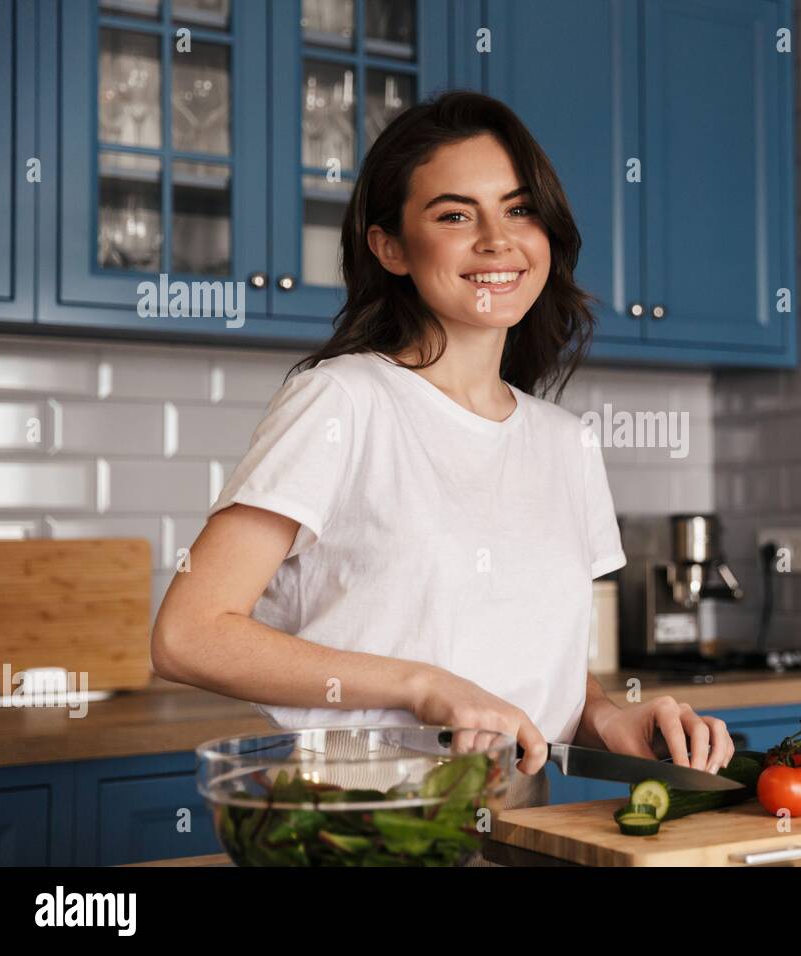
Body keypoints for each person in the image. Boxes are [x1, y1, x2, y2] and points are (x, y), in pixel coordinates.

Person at [150, 90, 735, 822]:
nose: (497, 240)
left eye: (519, 210)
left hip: (522, 824)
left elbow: (526, 651)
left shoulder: (565, 442)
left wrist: (607, 716)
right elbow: (187, 634)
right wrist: (422, 686)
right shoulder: (343, 401)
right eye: (456, 215)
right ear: (389, 246)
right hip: (361, 822)